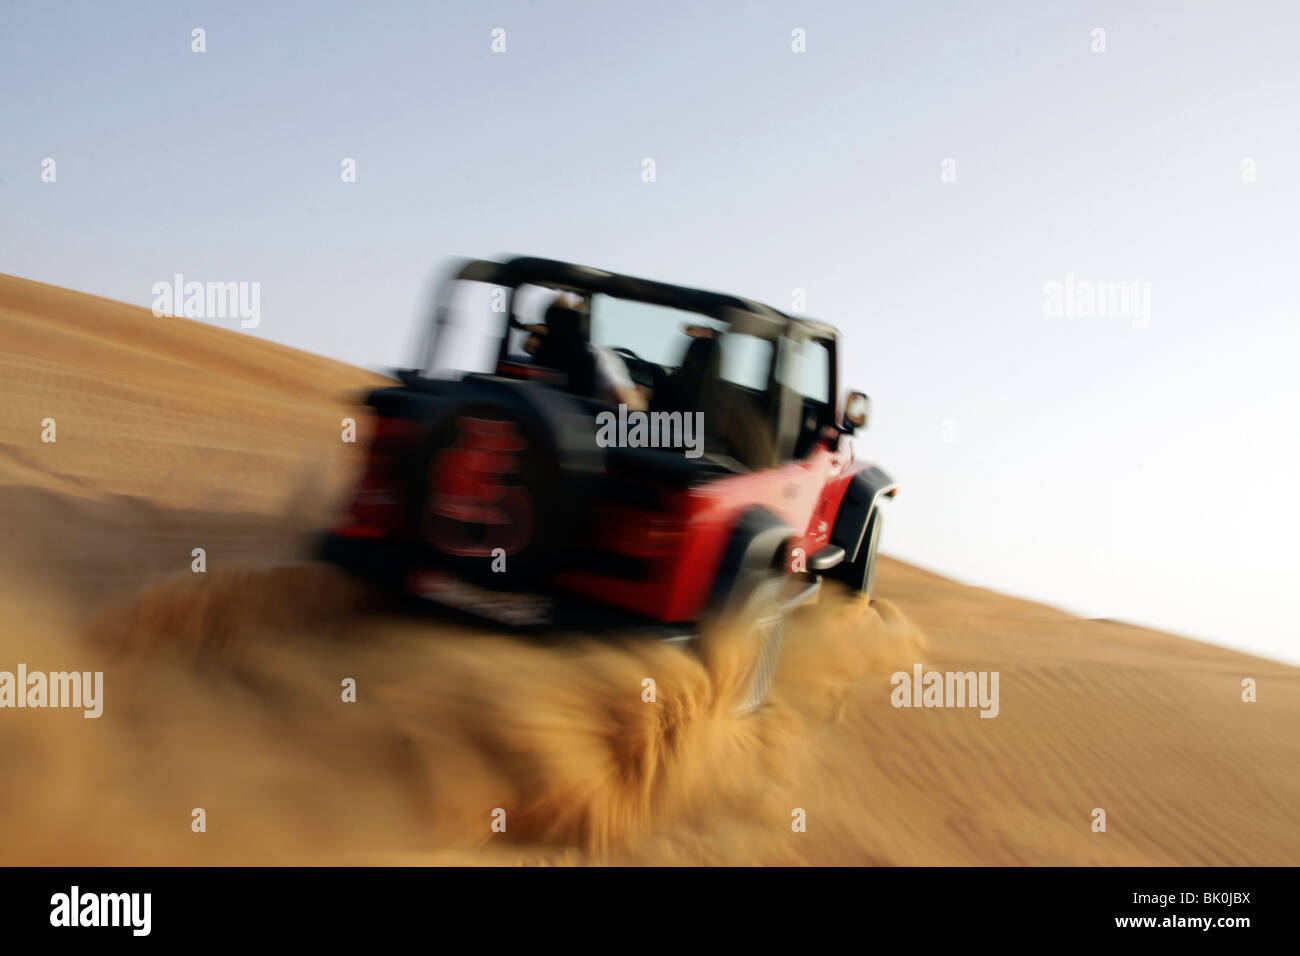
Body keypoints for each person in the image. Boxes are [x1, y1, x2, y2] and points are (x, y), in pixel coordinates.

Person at [525, 294, 648, 411]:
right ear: (584, 323)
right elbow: (628, 405)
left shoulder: (543, 353)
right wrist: (641, 396)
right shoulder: (599, 355)